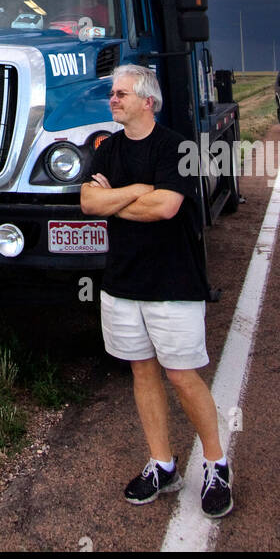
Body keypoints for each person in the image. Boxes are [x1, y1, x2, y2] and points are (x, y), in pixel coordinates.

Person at [80, 63, 233, 517]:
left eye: (122, 93)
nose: (113, 99)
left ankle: (216, 463)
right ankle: (162, 465)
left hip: (173, 283)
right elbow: (89, 202)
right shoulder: (107, 149)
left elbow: (166, 208)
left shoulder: (177, 147)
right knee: (142, 372)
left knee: (182, 376)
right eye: (113, 93)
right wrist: (137, 190)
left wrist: (118, 198)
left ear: (148, 101)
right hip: (123, 284)